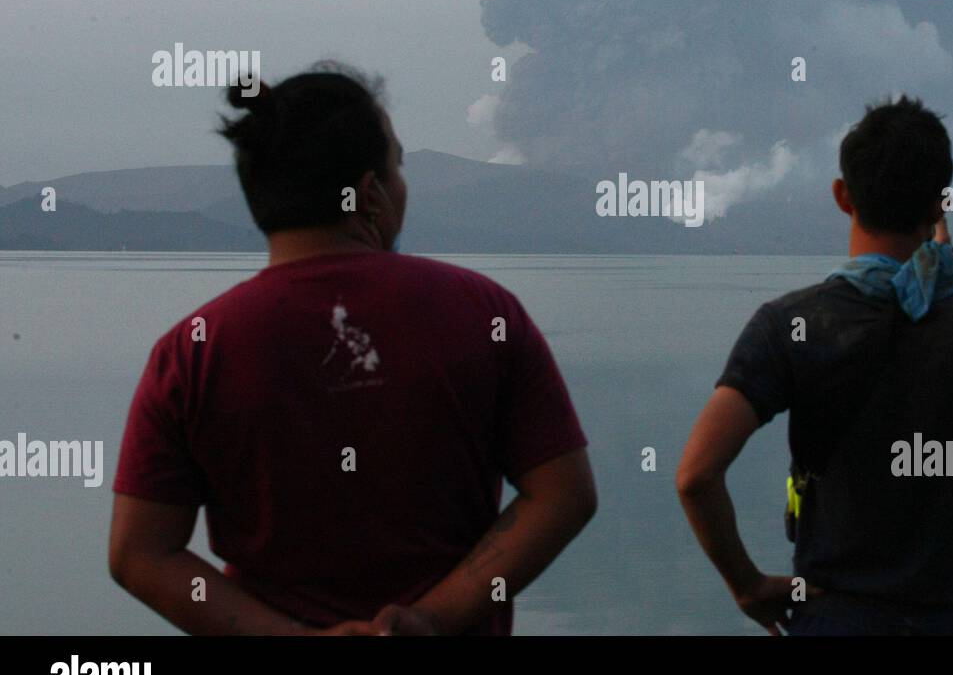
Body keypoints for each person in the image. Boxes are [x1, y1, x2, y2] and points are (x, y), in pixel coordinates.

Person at [108, 62, 596, 635]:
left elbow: (139, 554)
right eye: (399, 166)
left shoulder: (193, 349)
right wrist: (430, 620)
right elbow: (562, 495)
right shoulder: (484, 312)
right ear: (368, 194)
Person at [677, 95, 953, 636]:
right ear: (941, 203)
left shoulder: (792, 324)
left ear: (843, 196)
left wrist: (747, 586)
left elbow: (696, 476)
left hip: (835, 617)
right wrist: (948, 267)